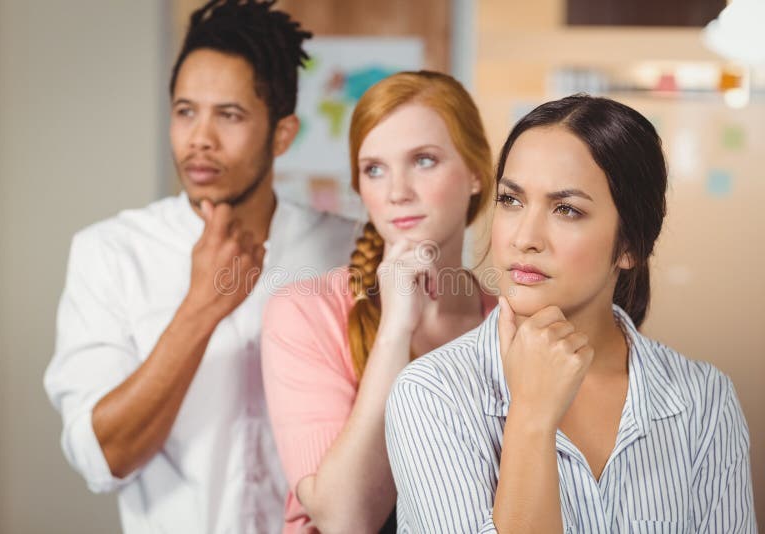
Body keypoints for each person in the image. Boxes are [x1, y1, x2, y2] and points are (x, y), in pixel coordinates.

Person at [44, 1, 356, 532]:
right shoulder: (110, 253)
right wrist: (200, 308)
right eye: (185, 111)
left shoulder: (349, 252)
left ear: (282, 134)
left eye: (229, 115)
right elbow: (104, 458)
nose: (200, 138)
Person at [385, 94, 757, 533]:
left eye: (567, 209)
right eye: (511, 200)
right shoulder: (433, 395)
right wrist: (531, 416)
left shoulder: (704, 400)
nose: (525, 237)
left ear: (630, 245)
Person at [260, 70, 497, 533]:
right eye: (374, 169)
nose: (396, 192)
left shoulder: (507, 325)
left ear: (474, 173)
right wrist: (395, 330)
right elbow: (345, 520)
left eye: (424, 160)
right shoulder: (304, 314)